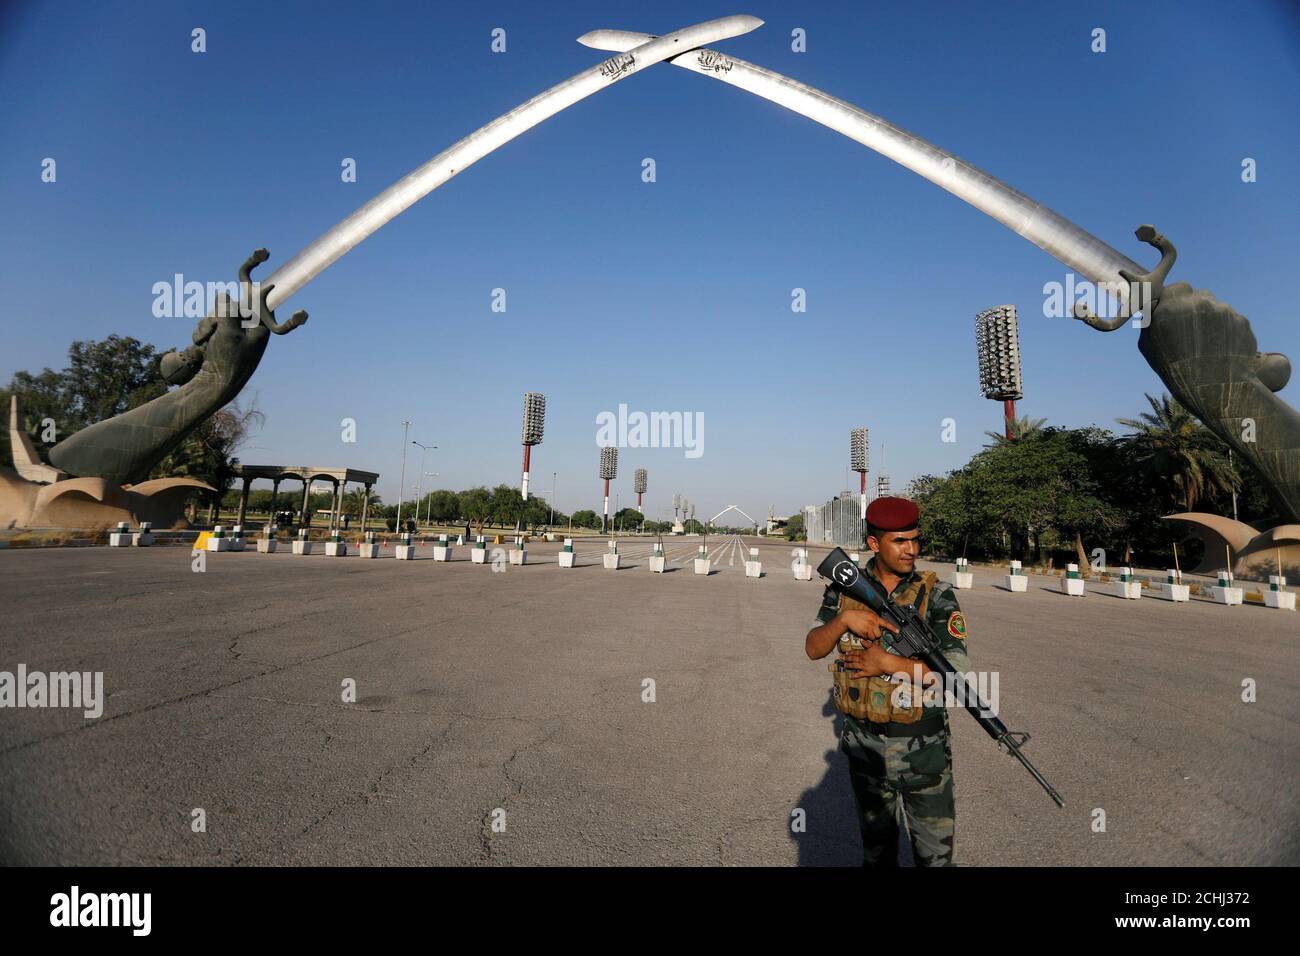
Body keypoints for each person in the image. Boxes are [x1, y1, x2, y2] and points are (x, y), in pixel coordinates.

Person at [804, 496, 970, 867]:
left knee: (936, 861)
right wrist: (843, 621)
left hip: (923, 757)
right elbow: (813, 648)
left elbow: (954, 675)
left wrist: (887, 662)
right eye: (900, 540)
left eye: (915, 539)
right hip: (866, 753)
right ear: (874, 544)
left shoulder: (938, 595)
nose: (912, 550)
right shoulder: (845, 591)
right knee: (877, 857)